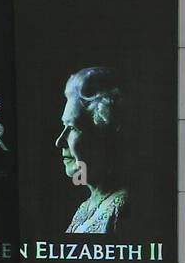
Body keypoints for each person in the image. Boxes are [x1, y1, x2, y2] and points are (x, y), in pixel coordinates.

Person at [57, 67, 132, 235]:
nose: (59, 141)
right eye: (64, 126)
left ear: (103, 137)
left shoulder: (122, 208)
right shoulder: (85, 208)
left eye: (72, 128)